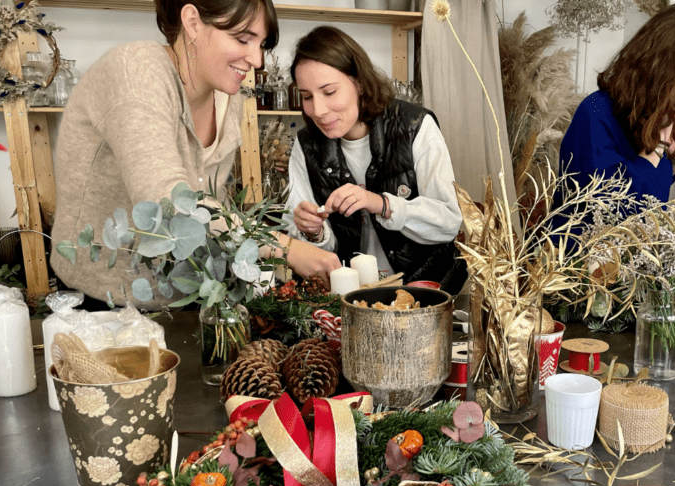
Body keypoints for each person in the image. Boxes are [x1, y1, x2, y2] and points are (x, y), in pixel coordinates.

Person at [51, 0, 340, 309]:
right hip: (103, 300)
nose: (257, 60)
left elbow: (208, 205)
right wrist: (284, 248)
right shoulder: (135, 71)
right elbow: (165, 201)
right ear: (192, 22)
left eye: (261, 44)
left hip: (187, 296)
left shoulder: (228, 96)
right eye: (243, 39)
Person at [285, 26, 467, 293]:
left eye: (329, 92)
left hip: (423, 291)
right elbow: (309, 252)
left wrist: (381, 204)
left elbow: (449, 222)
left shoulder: (415, 126)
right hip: (349, 299)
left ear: (359, 82)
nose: (318, 110)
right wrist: (313, 231)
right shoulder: (305, 145)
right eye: (307, 97)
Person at [555, 0, 675, 233]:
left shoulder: (657, 111)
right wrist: (657, 149)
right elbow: (613, 213)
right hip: (580, 250)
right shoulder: (595, 112)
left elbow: (651, 203)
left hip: (632, 250)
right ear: (665, 71)